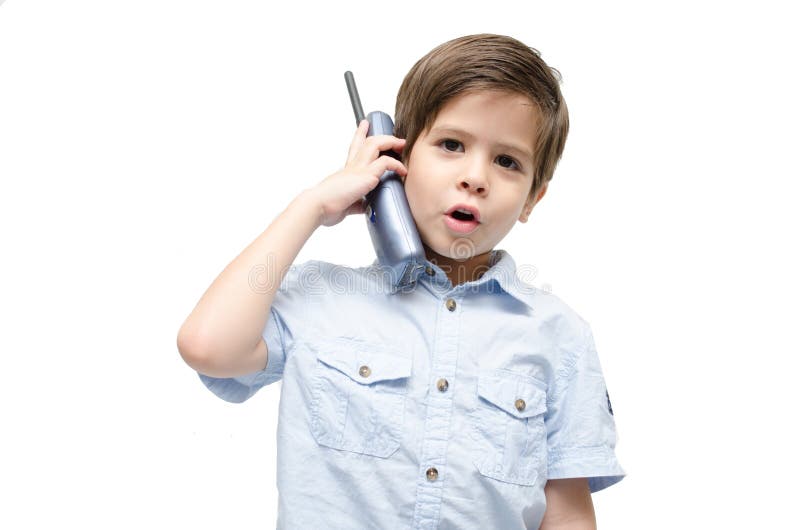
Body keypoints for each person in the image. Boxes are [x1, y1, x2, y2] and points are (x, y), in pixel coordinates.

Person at [177, 33, 625, 529]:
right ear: (396, 160)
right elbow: (207, 345)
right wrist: (311, 206)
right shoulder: (322, 301)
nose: (476, 177)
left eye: (507, 161)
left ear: (532, 200)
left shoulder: (560, 335)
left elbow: (568, 514)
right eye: (451, 145)